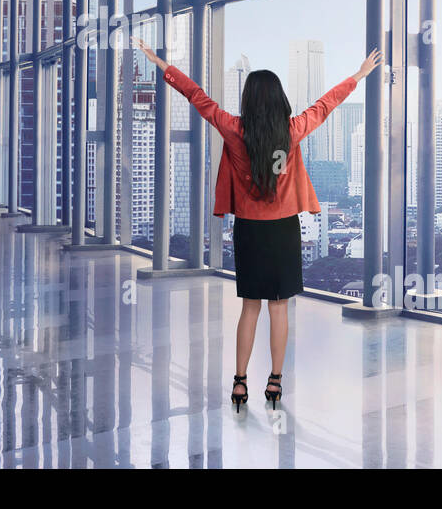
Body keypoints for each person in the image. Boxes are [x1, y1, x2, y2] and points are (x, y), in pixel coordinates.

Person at [134, 36, 382, 408]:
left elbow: (198, 98)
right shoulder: (293, 130)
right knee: (279, 307)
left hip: (249, 231)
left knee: (250, 306)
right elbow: (326, 105)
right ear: (279, 99)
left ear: (248, 99)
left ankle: (239, 381)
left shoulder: (234, 130)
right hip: (282, 231)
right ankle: (275, 382)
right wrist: (358, 75)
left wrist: (161, 64)